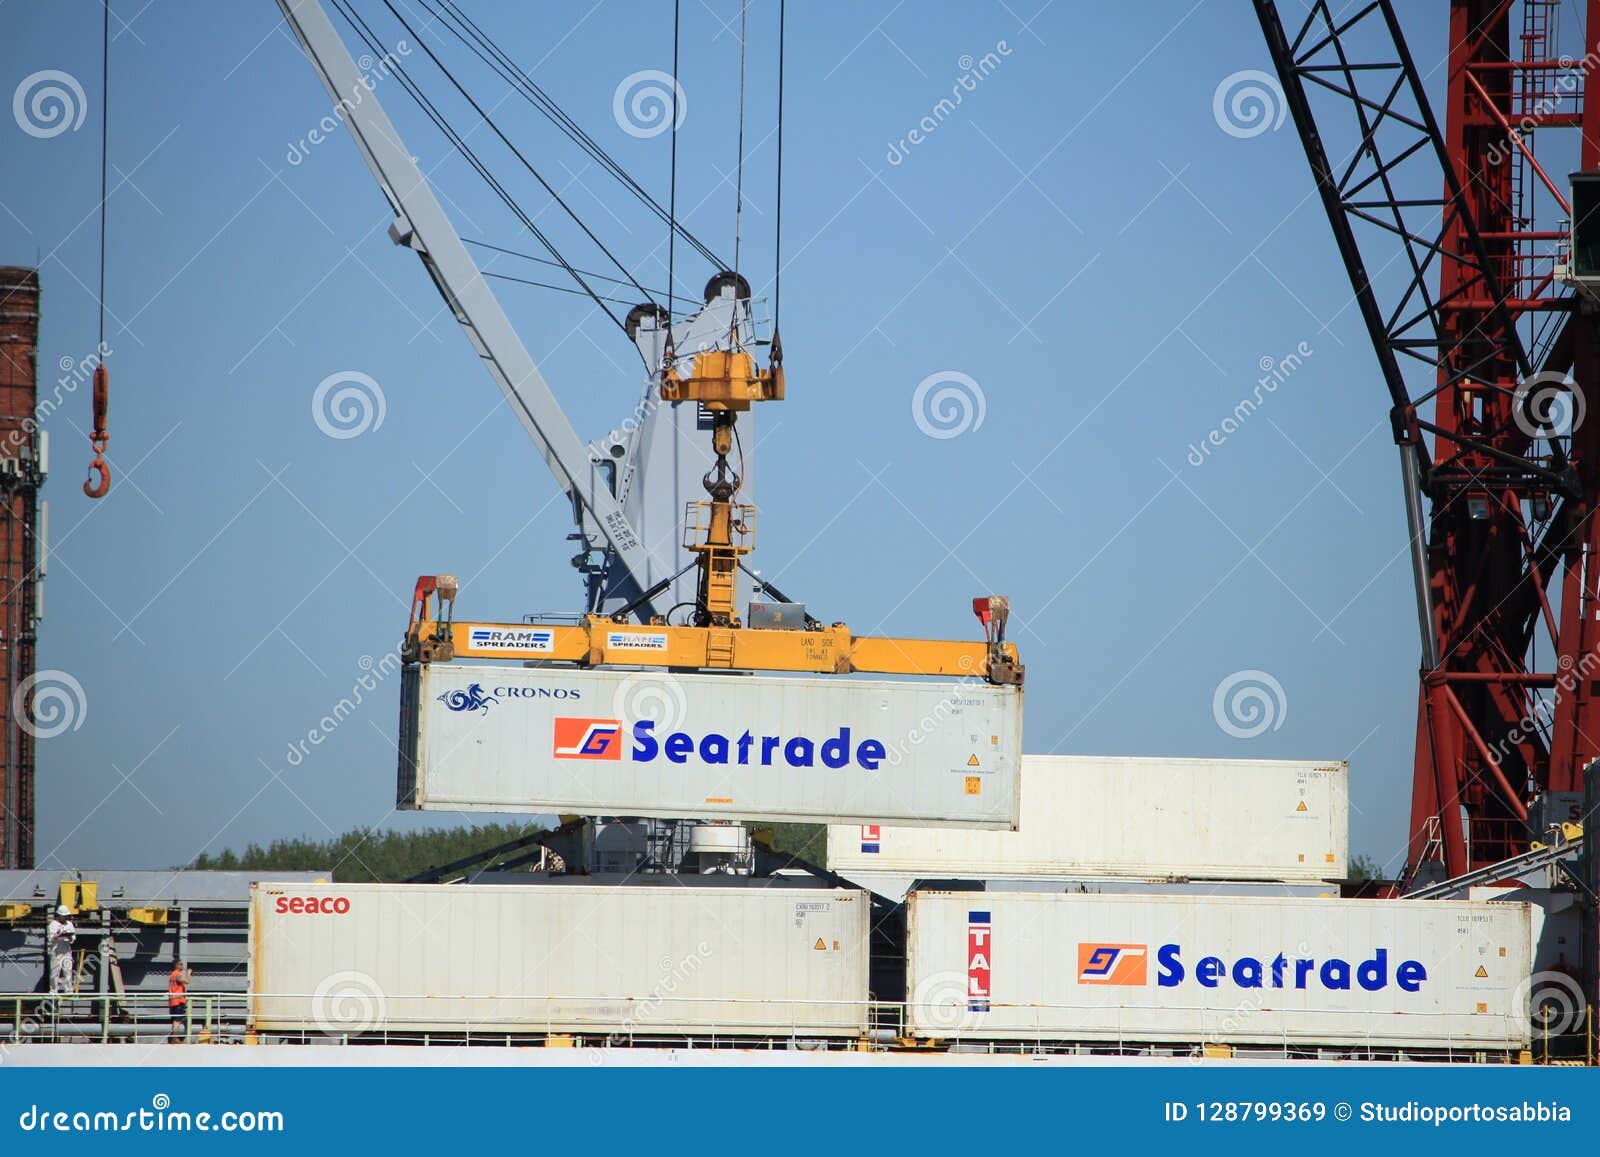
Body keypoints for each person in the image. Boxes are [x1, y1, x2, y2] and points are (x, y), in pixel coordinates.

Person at [46, 905, 74, 996]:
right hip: (56, 950)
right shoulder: (53, 924)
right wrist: (58, 935)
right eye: (64, 916)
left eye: (66, 916)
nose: (65, 917)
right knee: (54, 972)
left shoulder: (69, 924)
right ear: (59, 915)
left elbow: (73, 938)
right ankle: (53, 990)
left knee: (68, 970)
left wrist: (69, 936)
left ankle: (68, 990)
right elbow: (50, 938)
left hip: (66, 950)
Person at [167, 961, 192, 1043]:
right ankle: (175, 1038)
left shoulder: (172, 975)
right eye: (180, 964)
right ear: (176, 965)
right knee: (177, 1020)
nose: (182, 965)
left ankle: (174, 1038)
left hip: (173, 1000)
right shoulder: (177, 974)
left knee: (175, 1020)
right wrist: (189, 973)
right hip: (178, 1000)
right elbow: (187, 981)